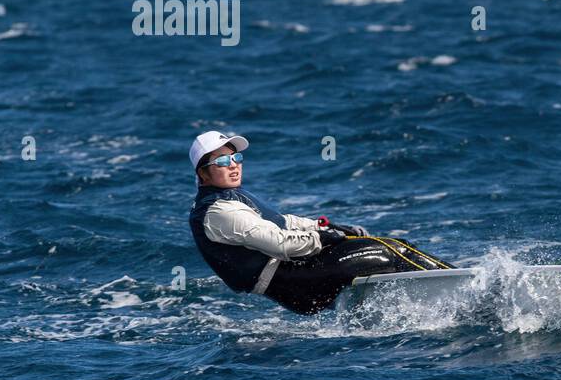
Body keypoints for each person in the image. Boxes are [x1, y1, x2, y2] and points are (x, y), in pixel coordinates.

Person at [187, 130, 453, 314]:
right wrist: (323, 239)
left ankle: (438, 295)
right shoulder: (219, 212)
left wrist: (322, 227)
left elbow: (283, 222)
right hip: (295, 282)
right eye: (223, 161)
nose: (234, 165)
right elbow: (282, 244)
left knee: (392, 247)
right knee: (387, 250)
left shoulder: (232, 197)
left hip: (299, 275)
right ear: (204, 173)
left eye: (237, 157)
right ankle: (463, 288)